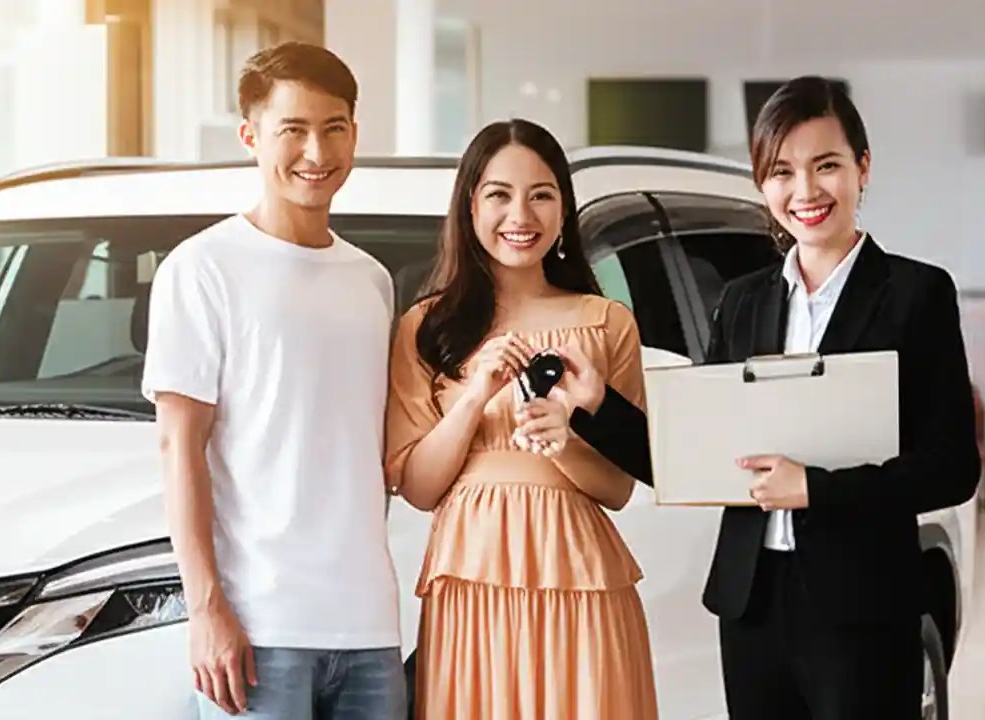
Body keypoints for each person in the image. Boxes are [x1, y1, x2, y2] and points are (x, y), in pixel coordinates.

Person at [701, 76, 981, 720]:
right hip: (751, 604)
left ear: (863, 167)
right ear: (762, 184)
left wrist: (817, 489)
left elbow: (952, 468)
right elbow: (695, 444)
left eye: (825, 165)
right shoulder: (741, 302)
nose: (804, 192)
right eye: (781, 172)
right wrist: (590, 408)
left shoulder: (917, 295)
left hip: (861, 606)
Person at [141, 42, 404, 719]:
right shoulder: (203, 269)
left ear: (354, 132)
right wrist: (206, 611)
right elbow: (179, 446)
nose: (317, 152)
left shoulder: (371, 281)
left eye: (334, 128)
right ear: (251, 137)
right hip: (259, 632)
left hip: (370, 627)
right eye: (294, 130)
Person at [384, 118, 659, 719]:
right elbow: (419, 486)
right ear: (470, 206)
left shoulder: (606, 322)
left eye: (541, 195)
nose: (521, 215)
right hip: (471, 588)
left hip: (581, 586)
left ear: (564, 208)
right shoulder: (425, 329)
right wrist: (478, 390)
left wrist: (561, 438)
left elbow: (618, 488)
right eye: (499, 195)